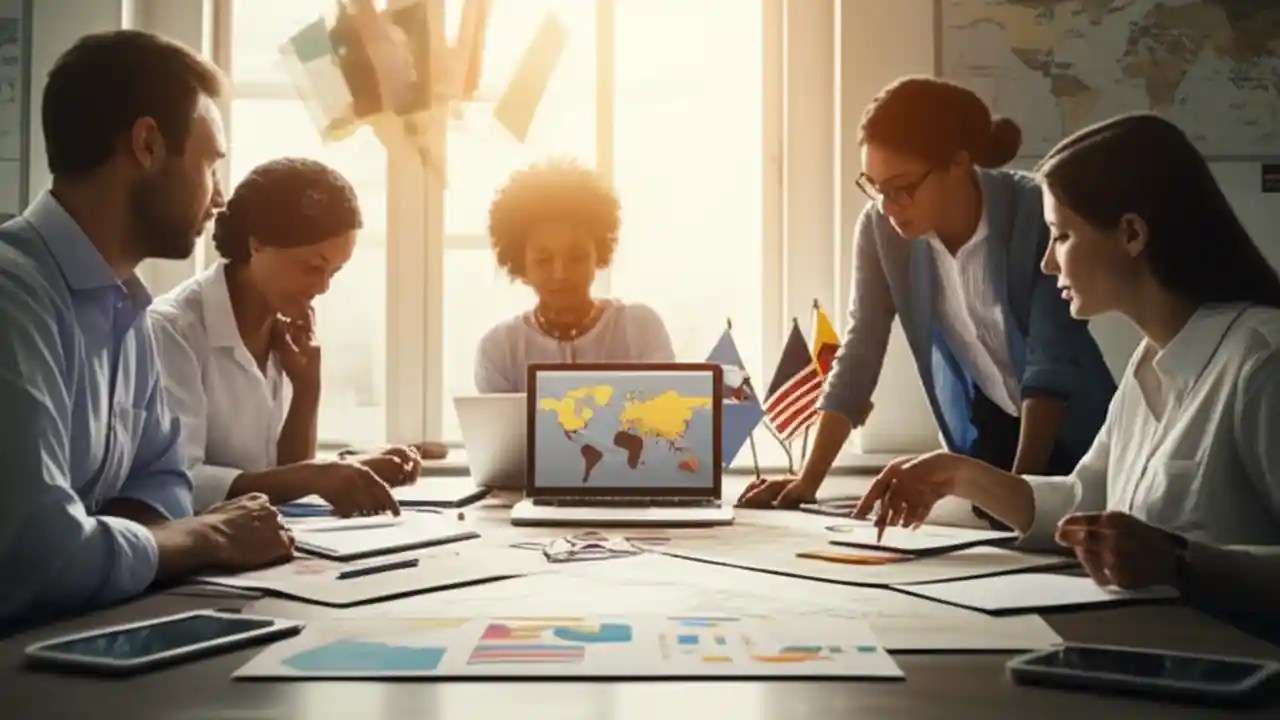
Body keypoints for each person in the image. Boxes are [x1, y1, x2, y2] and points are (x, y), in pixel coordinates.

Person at [852, 113, 1280, 620]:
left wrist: (1181, 562)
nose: (1047, 263)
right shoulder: (1149, 364)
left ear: (1131, 234)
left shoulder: (1260, 364)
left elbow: (1165, 555)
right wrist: (956, 474)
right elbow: (1082, 500)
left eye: (1061, 237)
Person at [0, 30, 293, 628]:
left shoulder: (125, 306)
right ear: (148, 144)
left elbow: (163, 477)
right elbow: (38, 557)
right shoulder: (13, 300)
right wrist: (204, 540)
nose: (221, 196)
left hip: (77, 628)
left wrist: (103, 551)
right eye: (212, 162)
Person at [740, 77, 1115, 510]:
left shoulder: (1032, 210)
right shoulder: (882, 231)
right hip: (988, 435)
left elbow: (1050, 365)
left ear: (958, 164)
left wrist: (1021, 500)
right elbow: (861, 349)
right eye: (875, 187)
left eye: (901, 187)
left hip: (1075, 435)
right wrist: (807, 483)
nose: (887, 205)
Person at [149, 157, 445, 514]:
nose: (322, 287)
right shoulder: (171, 331)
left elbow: (284, 482)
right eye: (312, 267)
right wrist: (318, 475)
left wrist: (307, 390)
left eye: (334, 272)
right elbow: (180, 484)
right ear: (257, 243)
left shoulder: (284, 330)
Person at [474, 159, 675, 393]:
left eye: (577, 257)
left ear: (598, 254)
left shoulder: (640, 328)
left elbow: (667, 422)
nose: (561, 273)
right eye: (544, 261)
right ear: (521, 266)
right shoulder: (499, 349)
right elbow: (499, 430)